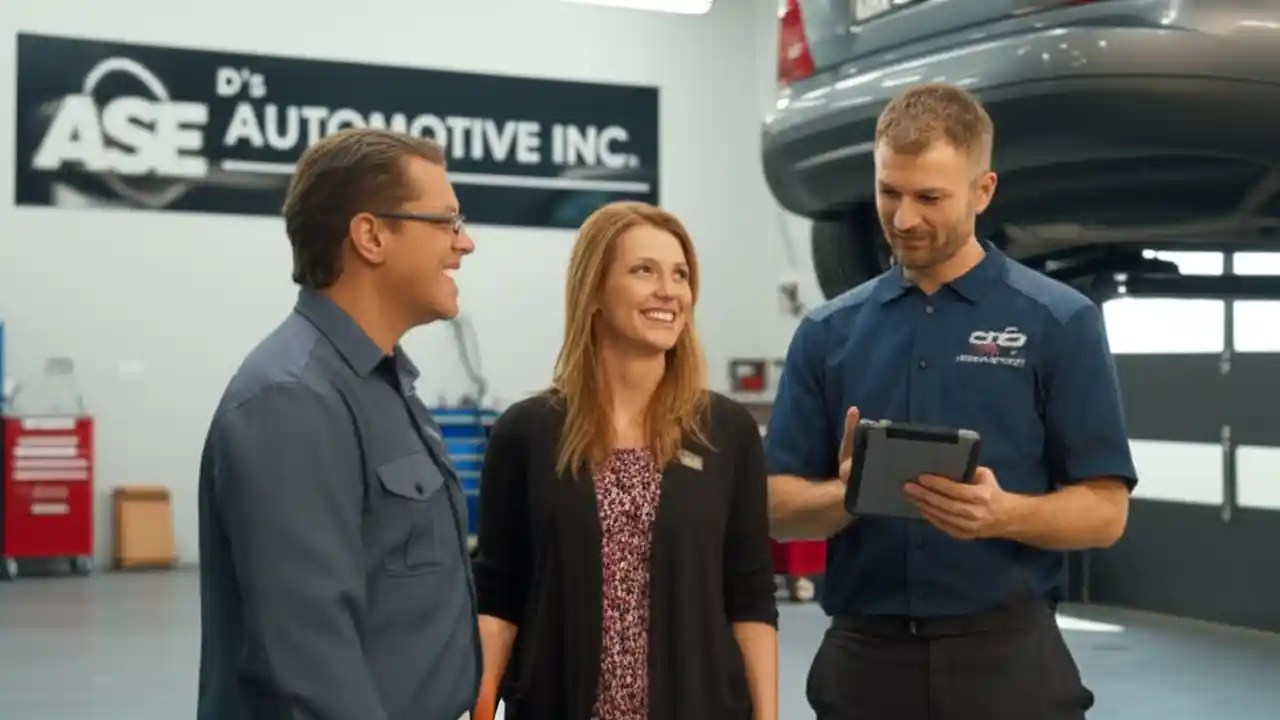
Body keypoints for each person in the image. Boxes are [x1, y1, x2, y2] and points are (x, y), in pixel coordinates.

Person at [764, 82, 1140, 720]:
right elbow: (774, 507)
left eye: (929, 197)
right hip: (864, 664)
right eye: (889, 192)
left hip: (1008, 661)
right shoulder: (828, 333)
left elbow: (1105, 513)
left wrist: (1000, 514)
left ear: (982, 190)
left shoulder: (1058, 322)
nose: (904, 218)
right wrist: (847, 496)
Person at [196, 127, 479, 720]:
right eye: (447, 222)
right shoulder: (292, 401)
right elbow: (309, 664)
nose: (465, 244)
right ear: (372, 235)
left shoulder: (383, 386)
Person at [469, 201, 780, 720]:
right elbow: (498, 596)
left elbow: (749, 596)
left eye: (680, 275)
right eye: (644, 271)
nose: (669, 291)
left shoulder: (725, 432)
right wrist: (480, 712)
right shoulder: (527, 433)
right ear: (594, 291)